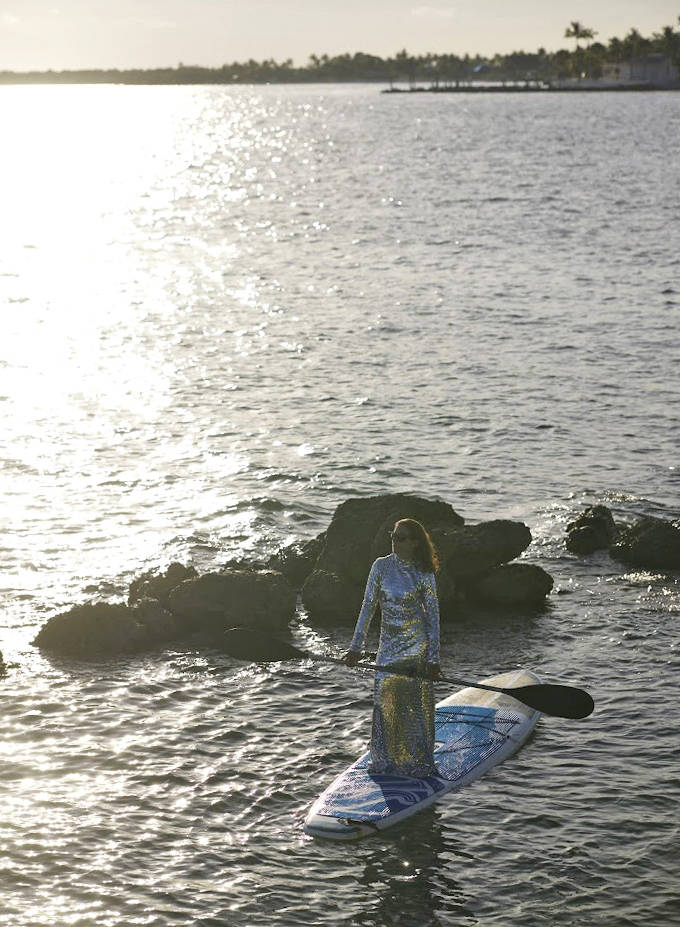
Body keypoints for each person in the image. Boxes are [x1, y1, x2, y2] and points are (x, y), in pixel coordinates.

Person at [341, 518, 442, 778]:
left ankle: (418, 762)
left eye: (402, 538)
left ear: (415, 542)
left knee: (413, 706)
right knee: (385, 704)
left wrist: (433, 659)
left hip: (415, 647)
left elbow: (432, 617)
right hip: (388, 647)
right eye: (394, 536)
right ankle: (387, 762)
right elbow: (368, 606)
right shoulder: (381, 566)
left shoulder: (423, 571)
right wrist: (355, 647)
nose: (395, 542)